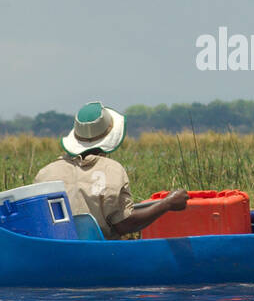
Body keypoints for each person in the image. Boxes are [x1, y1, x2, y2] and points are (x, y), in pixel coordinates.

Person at [35, 101, 188, 239]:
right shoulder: (112, 170)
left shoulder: (45, 173)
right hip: (100, 254)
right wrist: (168, 203)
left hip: (58, 250)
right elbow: (124, 224)